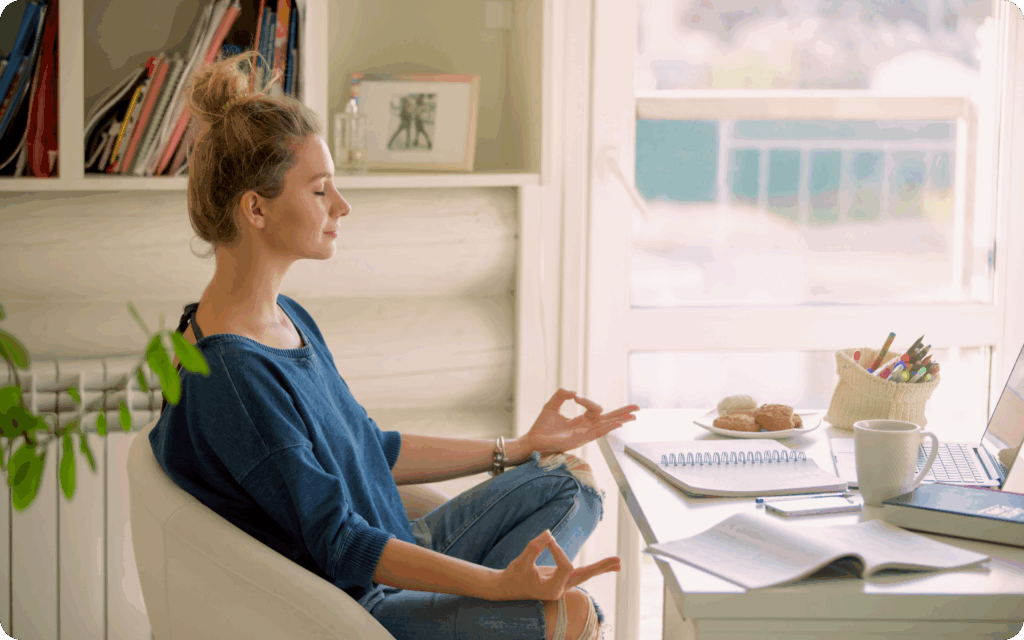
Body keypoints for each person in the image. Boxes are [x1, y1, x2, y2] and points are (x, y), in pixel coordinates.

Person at [149, 49, 639, 640]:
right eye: (320, 191)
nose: (342, 206)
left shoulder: (283, 317)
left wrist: (520, 447)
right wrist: (494, 586)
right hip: (363, 604)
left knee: (569, 482)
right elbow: (340, 542)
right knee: (576, 614)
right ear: (255, 208)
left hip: (401, 544)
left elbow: (371, 448)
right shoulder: (232, 374)